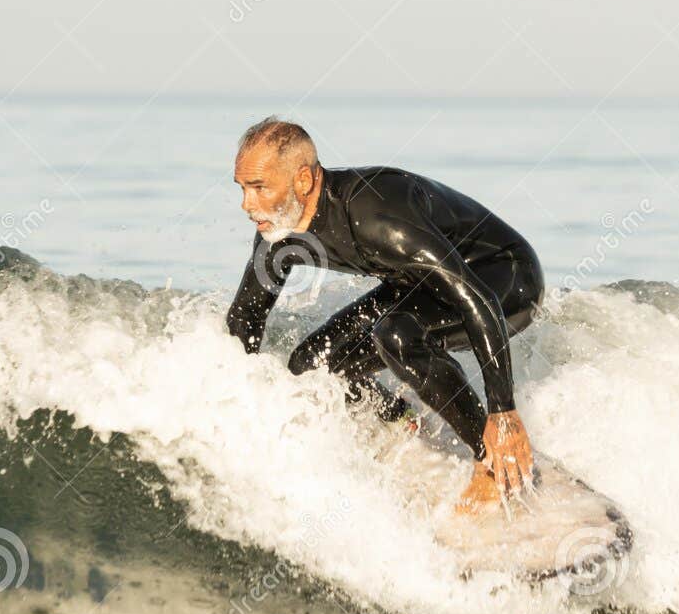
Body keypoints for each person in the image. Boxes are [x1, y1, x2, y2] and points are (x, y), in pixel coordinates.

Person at [225, 117, 545, 513]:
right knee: (310, 364)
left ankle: (494, 460)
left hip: (502, 277)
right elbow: (245, 321)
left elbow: (476, 299)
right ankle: (400, 419)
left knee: (396, 335)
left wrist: (503, 409)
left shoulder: (379, 217)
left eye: (259, 188)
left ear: (303, 181)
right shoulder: (278, 229)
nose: (246, 205)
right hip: (420, 284)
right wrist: (230, 400)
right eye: (242, 188)